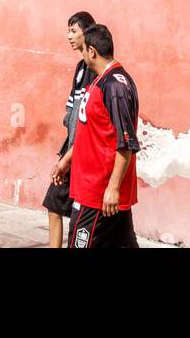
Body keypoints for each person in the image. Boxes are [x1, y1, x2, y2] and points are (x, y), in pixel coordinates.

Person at [53, 24, 141, 250]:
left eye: (84, 50)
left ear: (92, 51)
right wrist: (66, 160)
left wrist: (112, 188)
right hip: (96, 191)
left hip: (97, 194)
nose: (82, 55)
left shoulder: (115, 87)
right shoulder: (100, 81)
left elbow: (126, 143)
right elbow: (90, 131)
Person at [41, 10, 97, 249]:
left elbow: (89, 119)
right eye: (68, 31)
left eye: (73, 31)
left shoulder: (96, 70)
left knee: (81, 216)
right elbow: (72, 105)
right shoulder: (80, 68)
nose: (68, 36)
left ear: (88, 34)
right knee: (54, 203)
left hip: (84, 152)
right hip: (71, 146)